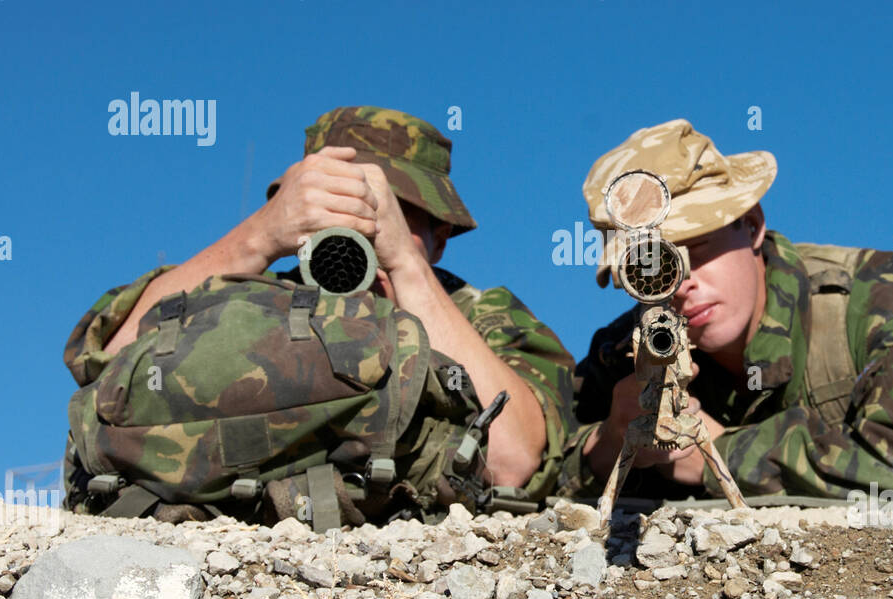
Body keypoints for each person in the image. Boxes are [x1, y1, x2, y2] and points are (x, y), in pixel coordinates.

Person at [65, 107, 574, 503]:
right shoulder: (247, 299)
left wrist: (407, 268)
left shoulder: (480, 314)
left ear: (441, 237)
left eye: (397, 214)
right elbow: (103, 366)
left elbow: (513, 458)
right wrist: (259, 236)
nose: (359, 227)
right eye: (332, 209)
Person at [559, 119, 893, 503]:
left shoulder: (872, 294)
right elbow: (532, 470)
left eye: (697, 249)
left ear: (752, 226)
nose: (682, 284)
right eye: (652, 271)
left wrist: (720, 456)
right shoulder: (625, 352)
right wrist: (610, 443)